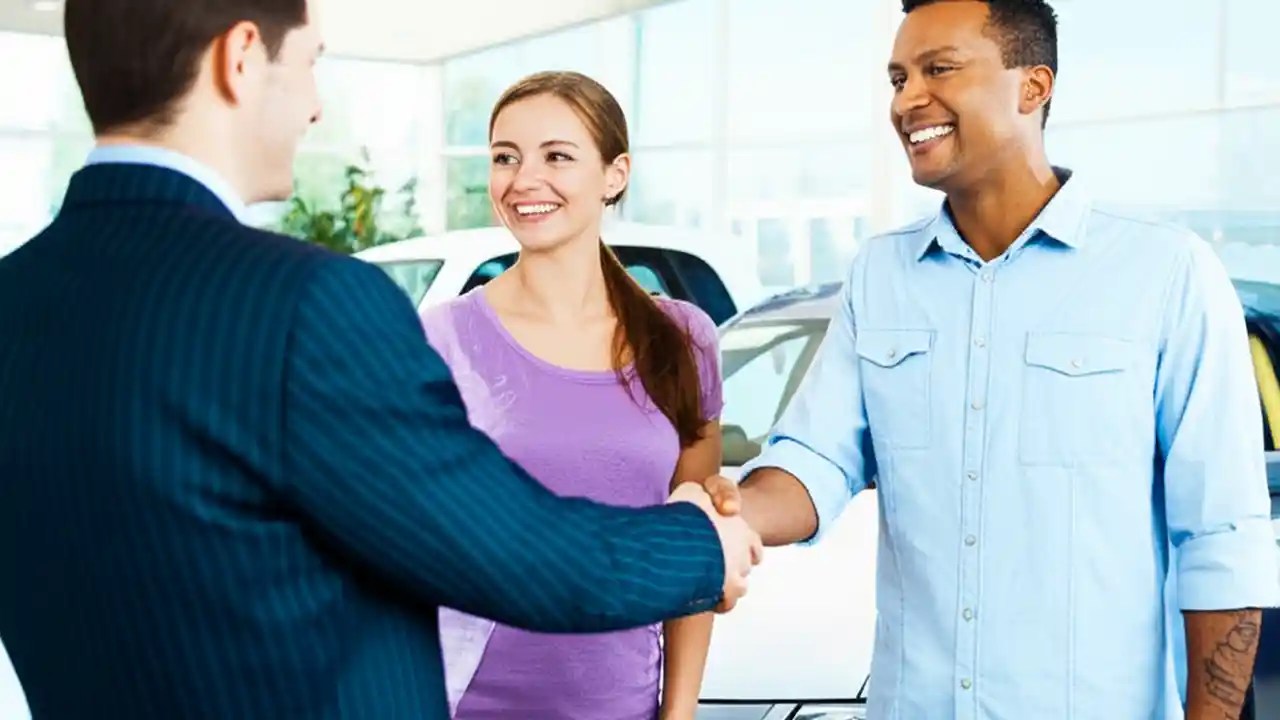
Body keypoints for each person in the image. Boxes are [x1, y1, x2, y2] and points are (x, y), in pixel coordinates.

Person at [0, 1, 763, 718]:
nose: (315, 107)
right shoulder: (311, 304)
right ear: (240, 58)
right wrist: (704, 541)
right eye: (308, 64)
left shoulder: (14, 300)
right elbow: (515, 553)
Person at [698, 1, 1280, 718]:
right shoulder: (881, 276)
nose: (908, 99)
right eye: (897, 77)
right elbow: (817, 459)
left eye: (939, 69)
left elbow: (1221, 538)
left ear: (1033, 87)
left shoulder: (1165, 274)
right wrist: (732, 512)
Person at [421, 71, 724, 720]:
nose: (523, 179)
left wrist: (679, 714)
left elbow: (695, 549)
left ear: (615, 175)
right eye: (506, 157)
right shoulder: (440, 338)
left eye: (556, 155)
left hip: (622, 706)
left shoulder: (684, 340)